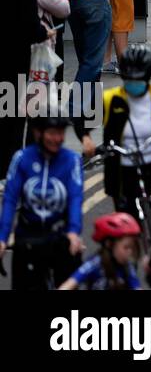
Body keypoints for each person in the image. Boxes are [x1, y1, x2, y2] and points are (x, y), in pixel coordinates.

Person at [83, 44, 151, 218]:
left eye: (139, 79)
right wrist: (86, 139)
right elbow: (80, 121)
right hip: (120, 169)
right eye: (130, 79)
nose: (134, 83)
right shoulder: (108, 99)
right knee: (126, 222)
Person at [0, 113, 84, 290]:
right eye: (52, 133)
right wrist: (2, 238)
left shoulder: (72, 160)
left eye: (61, 133)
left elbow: (75, 198)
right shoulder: (21, 158)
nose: (57, 138)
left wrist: (74, 232)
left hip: (59, 235)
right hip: (29, 235)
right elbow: (9, 199)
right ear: (38, 133)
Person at [59, 212, 143, 291]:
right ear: (109, 244)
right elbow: (71, 283)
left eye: (132, 248)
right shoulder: (95, 263)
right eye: (126, 247)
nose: (129, 252)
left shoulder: (127, 267)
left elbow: (136, 287)